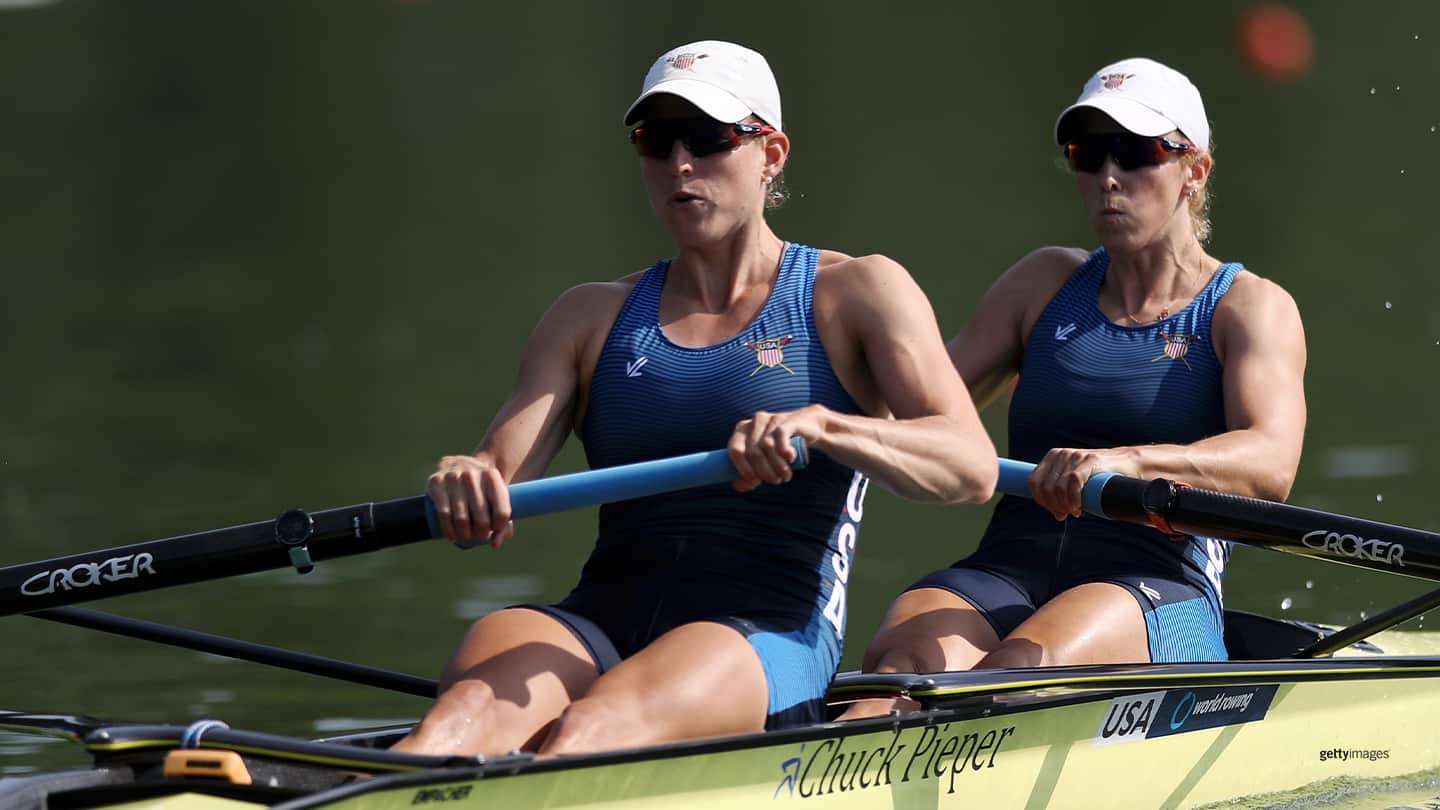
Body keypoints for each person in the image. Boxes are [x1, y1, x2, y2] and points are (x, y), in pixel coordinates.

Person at [391, 40, 997, 757]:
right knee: (455, 722)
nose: (680, 163)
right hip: (602, 618)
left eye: (708, 139)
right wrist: (464, 481)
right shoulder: (588, 315)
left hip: (764, 633)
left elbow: (971, 466)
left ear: (771, 154)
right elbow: (497, 482)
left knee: (590, 731)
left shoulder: (855, 292)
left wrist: (826, 427)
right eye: (657, 141)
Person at [842, 57, 1307, 718]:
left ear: (1195, 170)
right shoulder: (1042, 284)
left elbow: (1272, 464)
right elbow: (916, 413)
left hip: (1155, 581)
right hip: (1007, 568)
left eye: (1136, 153)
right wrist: (810, 423)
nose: (1108, 177)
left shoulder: (1247, 307)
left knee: (1009, 680)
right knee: (895, 673)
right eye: (1088, 155)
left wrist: (1126, 463)